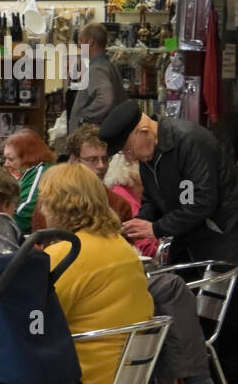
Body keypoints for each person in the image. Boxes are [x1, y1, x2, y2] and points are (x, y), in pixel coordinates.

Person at [36, 165, 228, 384]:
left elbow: (37, 325)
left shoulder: (64, 254)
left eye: (43, 199)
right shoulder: (122, 248)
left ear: (56, 204)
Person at [99, 100, 238, 265]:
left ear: (144, 131)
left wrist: (156, 228)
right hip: (187, 241)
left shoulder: (189, 141)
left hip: (220, 239)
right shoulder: (147, 154)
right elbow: (151, 199)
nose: (129, 157)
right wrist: (138, 224)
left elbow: (200, 201)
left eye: (128, 150)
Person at [68, 22, 126, 129]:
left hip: (92, 139)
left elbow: (105, 99)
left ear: (90, 42)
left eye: (81, 40)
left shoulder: (97, 69)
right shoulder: (109, 65)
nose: (79, 45)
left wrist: (83, 117)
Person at [2, 127, 54, 233]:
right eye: (5, 158)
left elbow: (24, 216)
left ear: (28, 157)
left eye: (11, 159)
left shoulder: (39, 174)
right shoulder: (27, 170)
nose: (6, 163)